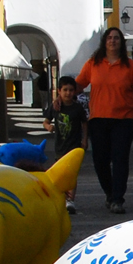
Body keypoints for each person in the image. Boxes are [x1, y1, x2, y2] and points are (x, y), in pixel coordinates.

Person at [77, 27, 133, 215]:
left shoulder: (130, 66)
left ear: (121, 42)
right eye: (109, 38)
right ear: (104, 42)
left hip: (124, 119)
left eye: (116, 38)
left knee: (120, 159)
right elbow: (79, 84)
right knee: (100, 161)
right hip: (98, 119)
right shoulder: (93, 64)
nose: (112, 41)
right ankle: (109, 192)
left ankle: (117, 199)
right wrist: (61, 97)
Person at [43, 74, 87, 213]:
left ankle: (70, 200)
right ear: (59, 91)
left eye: (70, 90)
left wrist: (84, 139)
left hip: (74, 145)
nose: (68, 93)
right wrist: (48, 127)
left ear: (74, 92)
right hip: (60, 146)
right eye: (65, 90)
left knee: (72, 174)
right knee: (60, 174)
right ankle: (61, 197)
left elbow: (84, 123)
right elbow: (46, 121)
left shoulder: (77, 108)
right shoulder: (56, 107)